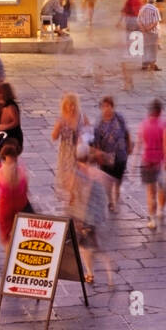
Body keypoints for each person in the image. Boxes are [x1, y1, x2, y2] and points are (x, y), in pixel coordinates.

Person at [67, 141, 110, 284]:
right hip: (95, 215)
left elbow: (73, 193)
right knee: (90, 242)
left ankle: (90, 273)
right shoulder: (96, 173)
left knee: (84, 246)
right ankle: (99, 263)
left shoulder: (76, 172)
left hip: (82, 214)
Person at [51, 92, 93, 203]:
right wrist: (57, 128)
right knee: (68, 175)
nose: (71, 107)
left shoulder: (82, 117)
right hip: (66, 151)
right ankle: (72, 193)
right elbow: (54, 137)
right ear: (64, 105)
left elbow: (90, 132)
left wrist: (83, 137)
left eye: (73, 104)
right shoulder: (61, 119)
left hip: (80, 151)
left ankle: (76, 194)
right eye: (69, 104)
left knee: (79, 174)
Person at [91, 96, 130, 212]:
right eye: (104, 106)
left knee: (118, 180)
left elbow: (126, 132)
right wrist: (98, 156)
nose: (106, 109)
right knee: (108, 181)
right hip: (106, 156)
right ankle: (110, 201)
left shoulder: (119, 118)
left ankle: (117, 196)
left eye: (108, 106)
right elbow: (96, 143)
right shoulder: (98, 125)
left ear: (112, 107)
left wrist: (129, 145)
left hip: (121, 154)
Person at [137, 99, 166, 230]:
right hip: (160, 163)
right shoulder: (164, 125)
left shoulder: (143, 125)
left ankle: (152, 219)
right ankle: (161, 210)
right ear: (160, 111)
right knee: (162, 188)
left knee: (150, 192)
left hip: (147, 161)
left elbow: (140, 143)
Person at [0, 142, 29, 255]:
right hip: (20, 205)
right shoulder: (21, 171)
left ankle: (9, 259)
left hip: (5, 207)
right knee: (20, 234)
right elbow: (26, 189)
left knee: (7, 238)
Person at [0, 82, 24, 155]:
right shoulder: (2, 105)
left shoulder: (10, 106)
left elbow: (15, 123)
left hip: (11, 139)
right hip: (4, 138)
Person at [138, 0, 162, 72]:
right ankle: (152, 64)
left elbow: (138, 20)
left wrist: (143, 29)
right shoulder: (155, 9)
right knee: (153, 49)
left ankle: (144, 64)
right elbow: (156, 22)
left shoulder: (142, 8)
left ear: (147, 0)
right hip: (153, 32)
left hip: (144, 32)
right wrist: (149, 28)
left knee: (145, 48)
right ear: (155, 1)